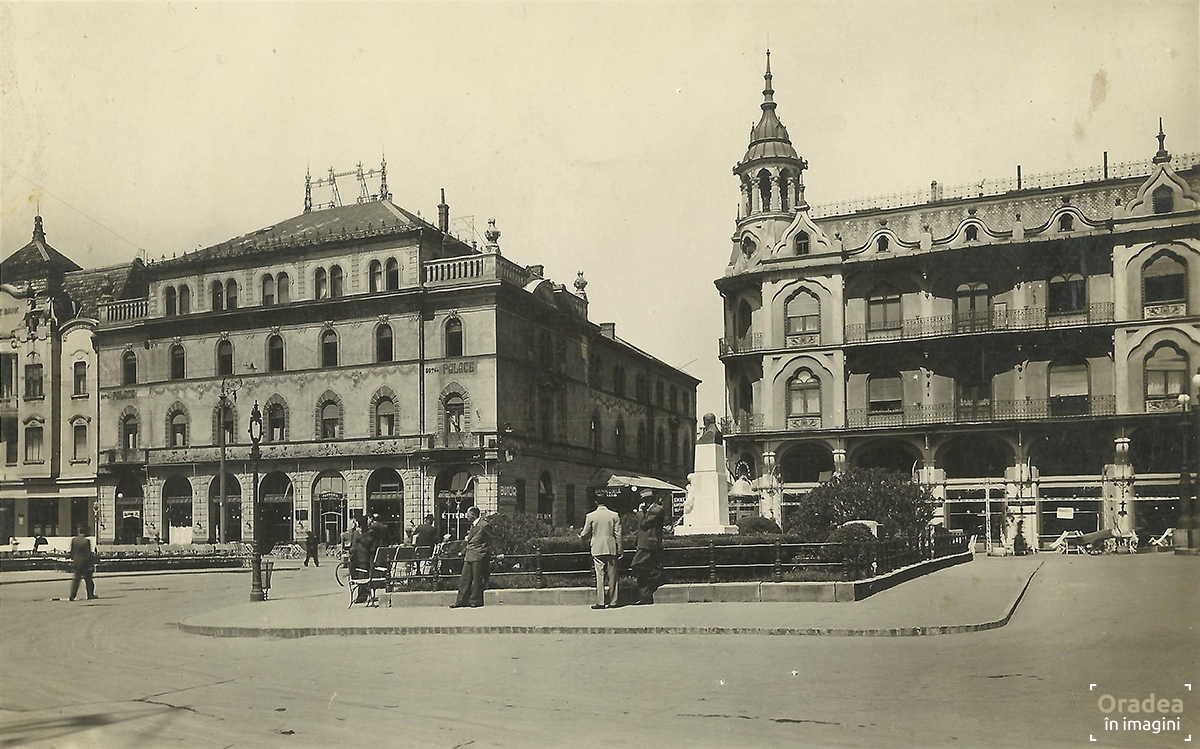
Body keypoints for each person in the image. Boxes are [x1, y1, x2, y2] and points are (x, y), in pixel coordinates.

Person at [580, 497, 622, 609]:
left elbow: (585, 533)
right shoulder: (614, 515)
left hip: (597, 548)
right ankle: (614, 601)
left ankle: (601, 602)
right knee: (613, 576)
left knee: (600, 575)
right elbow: (618, 534)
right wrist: (620, 549)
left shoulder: (591, 516)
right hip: (611, 547)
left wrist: (581, 537)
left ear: (596, 502)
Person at [451, 507, 494, 608]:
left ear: (473, 515)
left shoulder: (484, 525)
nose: (466, 516)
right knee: (464, 578)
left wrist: (497, 552)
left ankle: (475, 600)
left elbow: (493, 538)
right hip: (469, 555)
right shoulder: (473, 525)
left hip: (479, 555)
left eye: (468, 514)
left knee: (476, 579)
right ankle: (461, 601)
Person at [632, 488, 666, 605]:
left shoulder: (656, 509)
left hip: (649, 543)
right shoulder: (649, 510)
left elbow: (644, 524)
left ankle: (658, 575)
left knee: (637, 565)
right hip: (644, 543)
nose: (644, 502)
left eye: (646, 500)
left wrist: (640, 512)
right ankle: (645, 596)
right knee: (643, 569)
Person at [69, 529, 97, 601]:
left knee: (76, 581)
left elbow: (72, 552)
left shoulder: (74, 540)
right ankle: (90, 594)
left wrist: (74, 559)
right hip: (85, 564)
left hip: (76, 563)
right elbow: (88, 554)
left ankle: (72, 596)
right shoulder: (86, 541)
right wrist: (91, 563)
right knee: (88, 580)